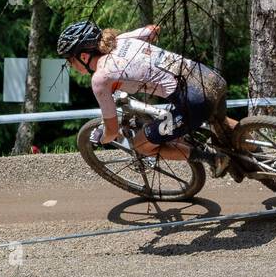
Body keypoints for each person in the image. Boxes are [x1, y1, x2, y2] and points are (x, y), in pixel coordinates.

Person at [58, 20, 241, 178]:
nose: (70, 65)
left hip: (195, 100)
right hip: (210, 78)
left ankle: (212, 159)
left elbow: (112, 132)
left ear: (83, 56)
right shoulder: (121, 40)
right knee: (220, 122)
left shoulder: (100, 78)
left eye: (70, 60)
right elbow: (153, 29)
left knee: (142, 146)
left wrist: (101, 138)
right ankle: (254, 151)